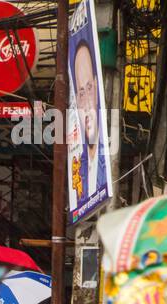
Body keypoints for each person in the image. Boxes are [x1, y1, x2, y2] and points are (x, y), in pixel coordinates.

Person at [70, 34, 107, 212]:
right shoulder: (78, 166)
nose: (86, 104)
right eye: (81, 92)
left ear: (97, 87)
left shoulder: (107, 163)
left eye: (89, 88)